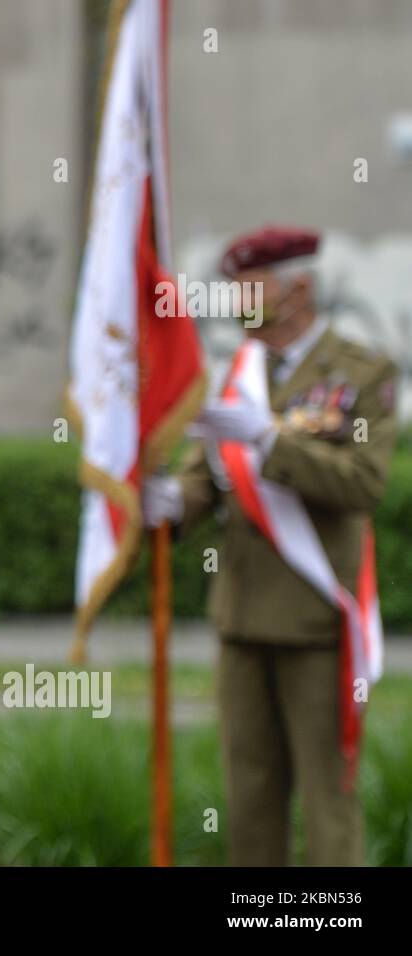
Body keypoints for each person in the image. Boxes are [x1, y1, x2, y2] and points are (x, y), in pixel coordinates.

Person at [142, 225, 398, 866]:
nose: (234, 300)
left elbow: (363, 483)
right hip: (243, 614)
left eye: (247, 287)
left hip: (316, 617)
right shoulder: (241, 371)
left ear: (298, 289)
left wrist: (273, 443)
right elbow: (212, 476)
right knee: (250, 795)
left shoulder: (361, 373)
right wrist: (171, 503)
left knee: (325, 796)